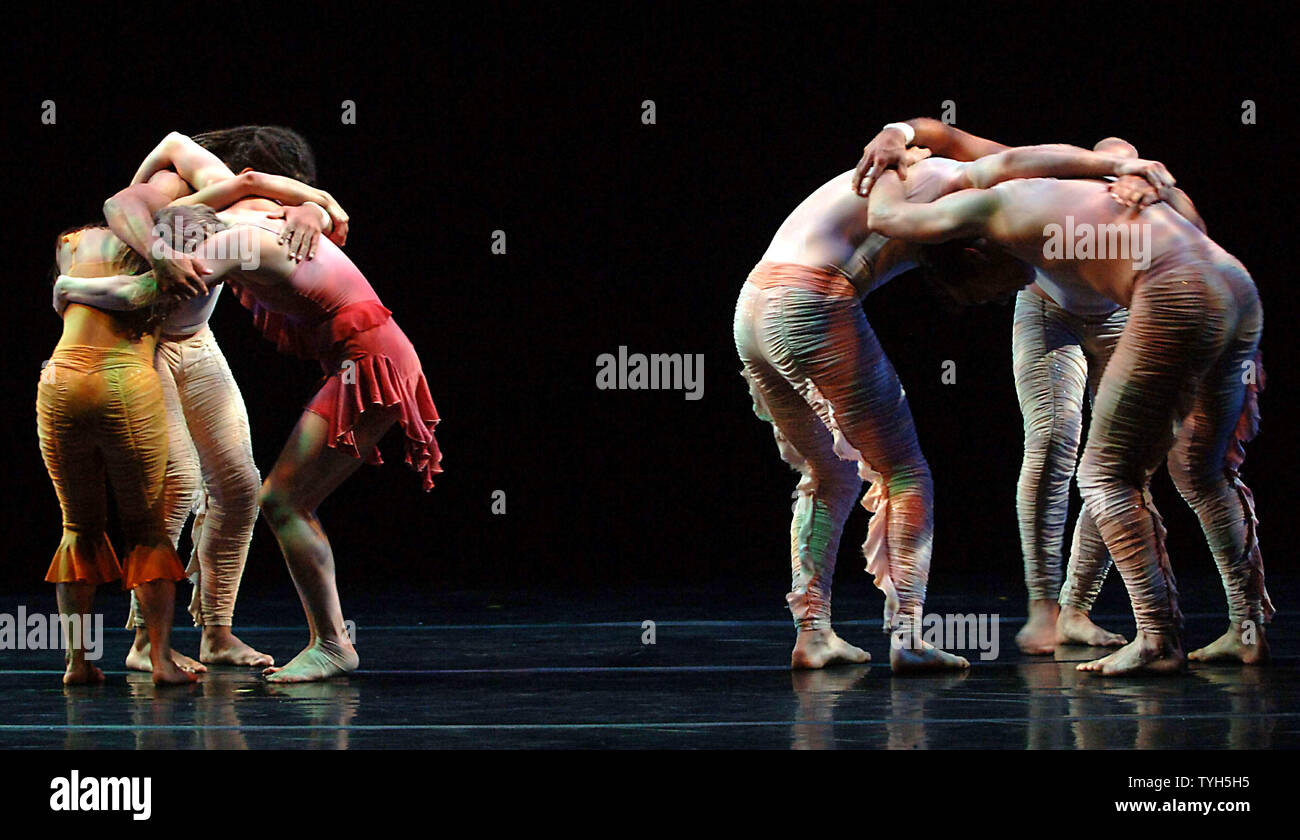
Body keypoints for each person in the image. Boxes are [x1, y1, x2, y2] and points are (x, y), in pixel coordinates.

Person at [735, 143, 1161, 672]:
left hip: (752, 306)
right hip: (809, 301)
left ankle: (813, 633)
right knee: (907, 475)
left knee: (829, 475)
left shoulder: (922, 201)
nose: (1008, 293)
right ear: (981, 251)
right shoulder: (966, 186)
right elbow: (1012, 160)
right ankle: (908, 636)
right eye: (1013, 279)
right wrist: (1117, 166)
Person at [863, 142, 1268, 674]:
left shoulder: (988, 208)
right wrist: (1148, 180)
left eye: (980, 293)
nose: (995, 298)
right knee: (1203, 470)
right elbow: (1176, 208)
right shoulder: (1056, 192)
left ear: (974, 253)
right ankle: (1248, 630)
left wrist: (890, 155)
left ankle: (1158, 639)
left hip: (1176, 291)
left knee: (1104, 474)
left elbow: (886, 217)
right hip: (1235, 286)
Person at [86, 187, 440, 682]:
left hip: (369, 362)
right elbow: (301, 200)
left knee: (283, 501)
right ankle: (328, 641)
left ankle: (334, 644)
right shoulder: (250, 217)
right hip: (372, 356)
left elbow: (149, 294)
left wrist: (71, 289)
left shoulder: (226, 245)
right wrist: (312, 206)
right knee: (283, 500)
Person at [60, 131, 347, 672]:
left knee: (239, 484)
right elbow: (121, 200)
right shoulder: (181, 182)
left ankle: (216, 631)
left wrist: (314, 207)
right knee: (177, 486)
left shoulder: (241, 194)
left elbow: (283, 203)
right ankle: (148, 642)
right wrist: (160, 253)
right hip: (141, 342)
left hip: (196, 342)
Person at [39, 225, 194, 685]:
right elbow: (147, 296)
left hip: (59, 383)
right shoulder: (165, 243)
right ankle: (160, 659)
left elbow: (66, 295)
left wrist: (67, 287)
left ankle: (77, 662)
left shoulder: (70, 242)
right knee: (146, 528)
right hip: (125, 383)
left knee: (77, 527)